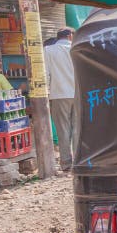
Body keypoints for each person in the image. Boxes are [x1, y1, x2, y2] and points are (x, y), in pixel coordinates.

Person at [44, 28, 76, 171]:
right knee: (78, 129)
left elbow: (45, 74)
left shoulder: (48, 50)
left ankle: (66, 163)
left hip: (59, 94)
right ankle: (79, 161)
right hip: (78, 94)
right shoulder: (77, 49)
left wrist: (46, 93)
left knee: (63, 130)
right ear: (70, 36)